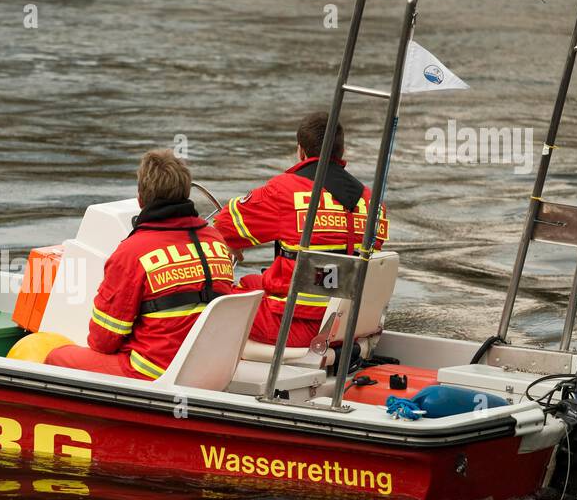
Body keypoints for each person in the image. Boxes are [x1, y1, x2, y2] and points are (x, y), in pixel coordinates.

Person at [46, 149, 235, 380]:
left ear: (140, 199)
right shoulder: (215, 241)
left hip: (153, 372)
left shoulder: (132, 252)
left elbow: (103, 341)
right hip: (208, 369)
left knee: (55, 357)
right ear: (186, 192)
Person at [213, 112, 389, 348]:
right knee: (252, 282)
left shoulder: (284, 191)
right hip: (349, 323)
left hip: (295, 325)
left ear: (301, 151)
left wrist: (233, 244)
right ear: (341, 152)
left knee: (214, 298)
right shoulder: (372, 202)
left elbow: (224, 226)